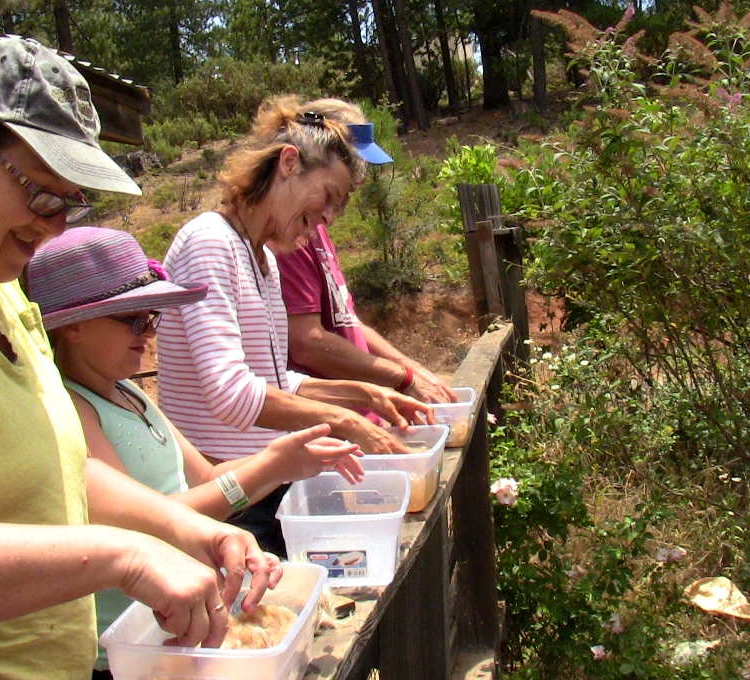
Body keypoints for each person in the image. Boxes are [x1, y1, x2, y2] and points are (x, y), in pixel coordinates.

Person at [0, 37, 275, 680]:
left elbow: (65, 466)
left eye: (71, 201)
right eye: (42, 194)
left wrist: (185, 529)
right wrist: (125, 559)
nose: (55, 227)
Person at [27, 225, 365, 675]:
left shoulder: (130, 393)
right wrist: (272, 464)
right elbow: (145, 522)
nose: (148, 332)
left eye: (151, 316)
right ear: (72, 327)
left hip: (180, 626)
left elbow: (205, 481)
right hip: (129, 652)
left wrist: (285, 462)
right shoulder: (71, 409)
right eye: (132, 319)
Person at [157, 96, 434, 554]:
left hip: (263, 486)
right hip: (226, 499)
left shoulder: (262, 256)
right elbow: (230, 394)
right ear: (289, 163)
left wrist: (364, 394)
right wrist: (342, 417)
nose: (328, 217)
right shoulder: (209, 243)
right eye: (327, 196)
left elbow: (275, 380)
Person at [276, 102, 458, 405]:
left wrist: (410, 369)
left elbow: (347, 321)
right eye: (353, 158)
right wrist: (402, 378)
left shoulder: (316, 230)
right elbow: (306, 342)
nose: (360, 175)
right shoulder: (293, 238)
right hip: (328, 426)